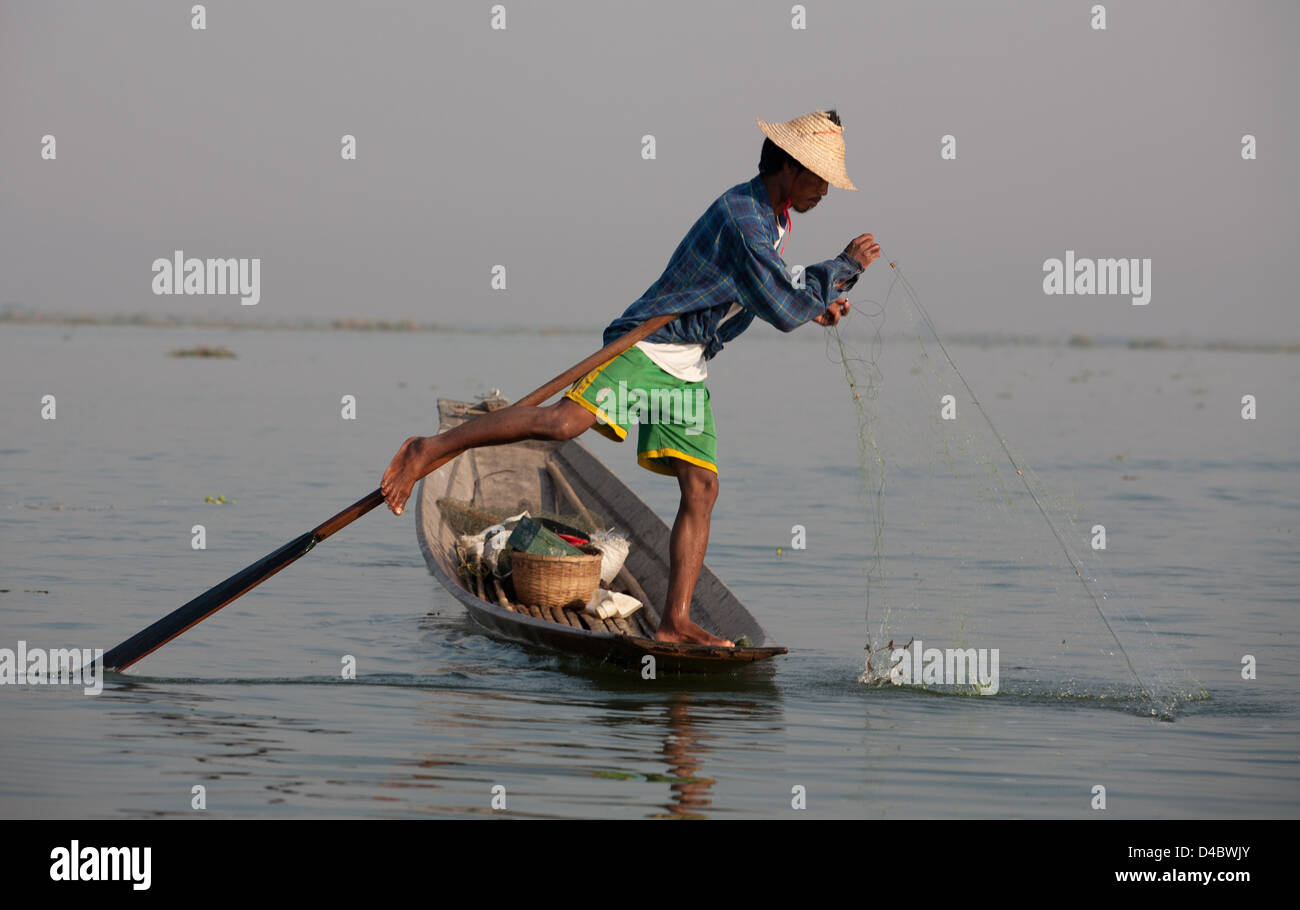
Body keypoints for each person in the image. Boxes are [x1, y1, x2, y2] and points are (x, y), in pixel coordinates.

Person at [381, 109, 882, 647]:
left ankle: (674, 622)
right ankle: (426, 449)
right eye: (820, 178)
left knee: (702, 487)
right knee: (561, 424)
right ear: (789, 165)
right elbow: (781, 307)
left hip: (688, 362)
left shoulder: (776, 219)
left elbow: (769, 288)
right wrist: (841, 268)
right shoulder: (743, 216)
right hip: (650, 347)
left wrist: (818, 301)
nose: (826, 191)